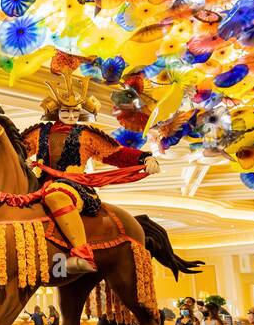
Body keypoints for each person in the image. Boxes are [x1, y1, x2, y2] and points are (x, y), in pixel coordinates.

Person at [19, 71, 158, 274]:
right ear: (55, 110)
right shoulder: (39, 132)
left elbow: (115, 154)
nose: (71, 116)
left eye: (75, 112)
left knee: (56, 196)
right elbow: (16, 149)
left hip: (72, 185)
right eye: (65, 111)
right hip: (38, 183)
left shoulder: (86, 135)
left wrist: (144, 157)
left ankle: (82, 253)